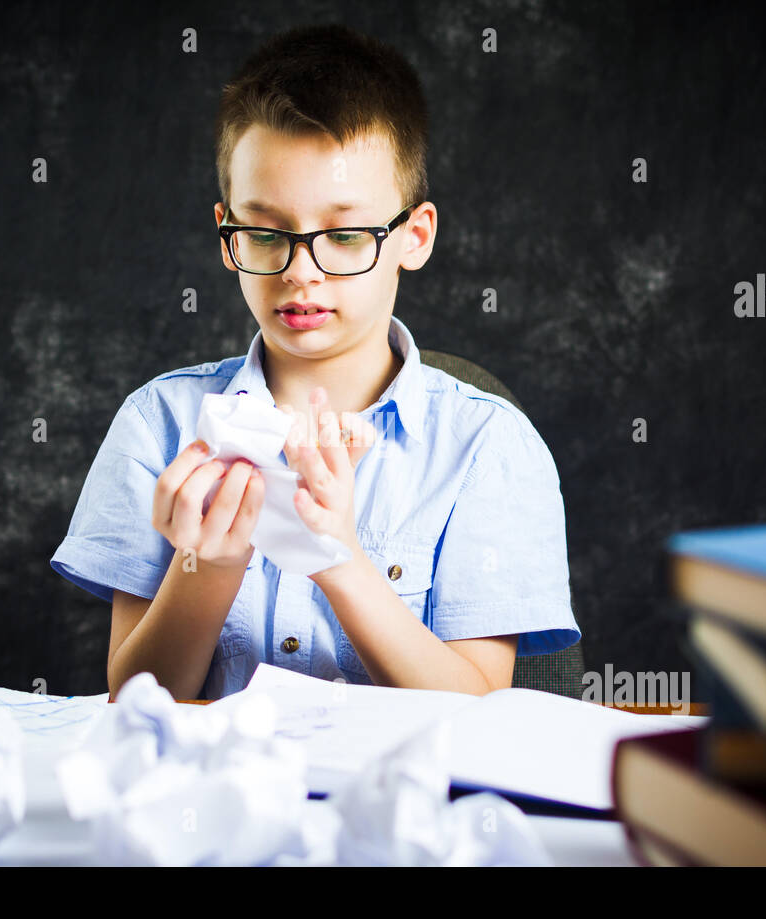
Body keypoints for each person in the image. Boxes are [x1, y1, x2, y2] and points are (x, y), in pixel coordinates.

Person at [51, 23, 580, 701]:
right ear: (226, 233)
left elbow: (477, 714)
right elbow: (138, 700)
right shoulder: (159, 422)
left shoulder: (487, 446)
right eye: (266, 234)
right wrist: (206, 567)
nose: (301, 272)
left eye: (345, 234)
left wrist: (336, 557)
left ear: (413, 238)